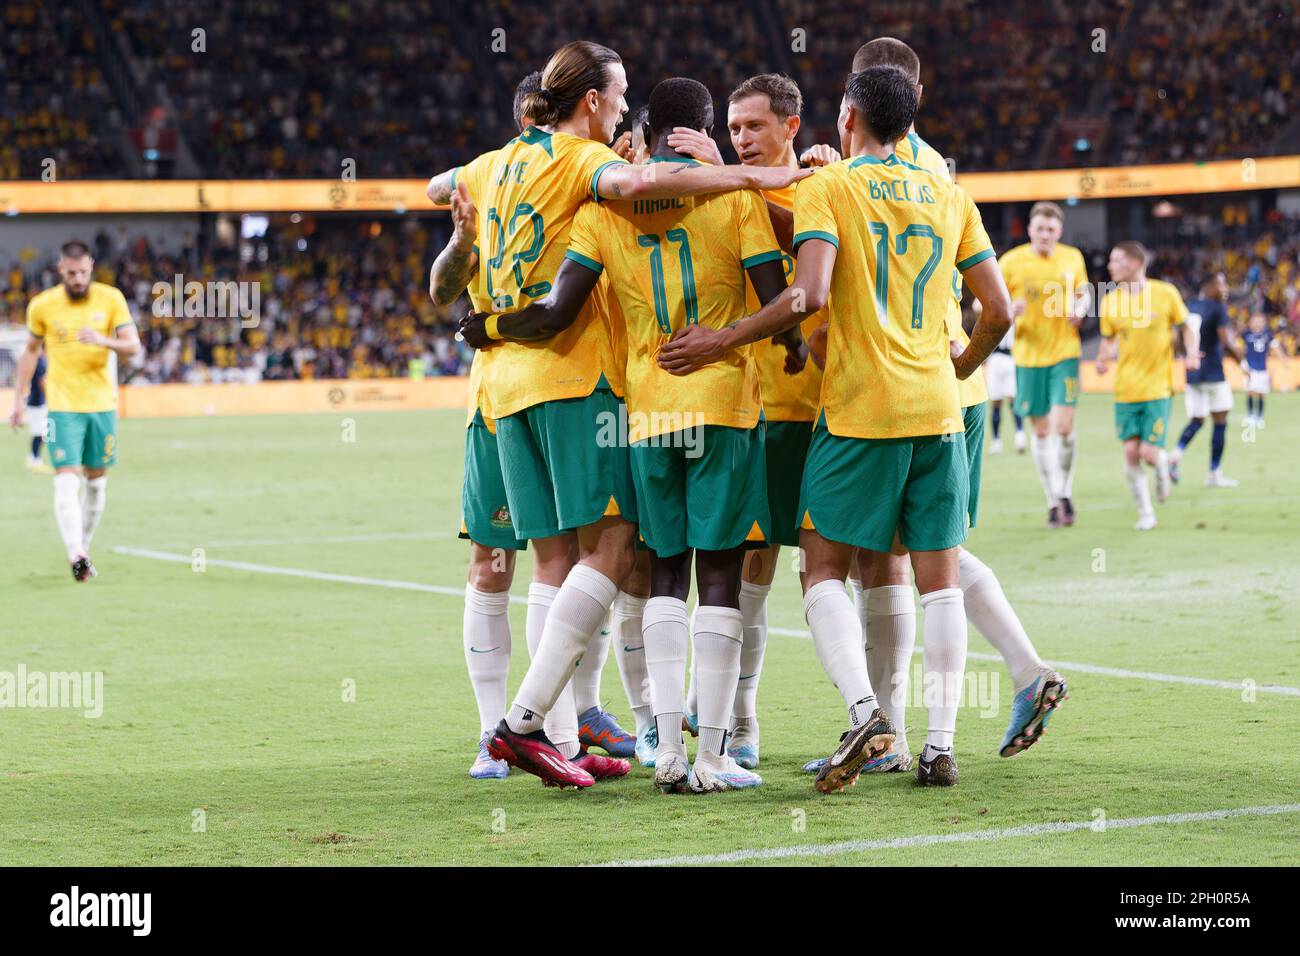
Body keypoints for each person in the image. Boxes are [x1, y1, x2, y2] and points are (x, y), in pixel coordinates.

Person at [457, 40, 808, 789]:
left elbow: (553, 311)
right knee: (719, 580)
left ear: (643, 134)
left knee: (657, 579)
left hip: (645, 415)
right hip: (722, 407)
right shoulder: (734, 199)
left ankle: (662, 745)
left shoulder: (600, 214)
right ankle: (713, 753)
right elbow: (783, 298)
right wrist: (794, 345)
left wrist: (486, 324)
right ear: (704, 131)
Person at [658, 65, 1013, 789]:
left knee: (820, 567)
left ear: (846, 116)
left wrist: (723, 339)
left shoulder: (832, 186)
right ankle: (937, 745)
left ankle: (864, 712)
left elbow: (807, 293)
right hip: (938, 411)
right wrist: (958, 364)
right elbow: (1000, 313)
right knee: (935, 577)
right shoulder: (951, 192)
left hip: (857, 411)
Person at [429, 70, 640, 781]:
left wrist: (467, 185)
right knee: (562, 557)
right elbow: (441, 288)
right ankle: (512, 729)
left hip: (500, 382)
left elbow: (436, 186)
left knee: (541, 560)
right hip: (548, 380)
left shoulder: (490, 170)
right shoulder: (575, 165)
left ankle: (558, 731)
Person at [665, 72, 816, 771]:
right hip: (768, 403)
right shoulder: (722, 189)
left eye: (754, 127)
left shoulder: (819, 178)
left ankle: (891, 728)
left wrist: (726, 175)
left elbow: (803, 251)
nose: (741, 139)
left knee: (839, 569)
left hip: (834, 398)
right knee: (754, 567)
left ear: (791, 126)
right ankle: (742, 719)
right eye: (733, 130)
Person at [9, 241, 141, 581]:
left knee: (96, 485)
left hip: (102, 406)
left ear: (91, 267)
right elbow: (30, 352)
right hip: (62, 407)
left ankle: (83, 546)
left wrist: (104, 341)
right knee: (66, 480)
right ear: (60, 269)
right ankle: (76, 554)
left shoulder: (111, 298)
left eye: (83, 272)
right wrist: (18, 399)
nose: (78, 279)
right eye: (72, 273)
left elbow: (133, 346)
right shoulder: (43, 305)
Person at [1095, 242, 1199, 531]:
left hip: (1157, 387)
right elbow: (1108, 339)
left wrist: (1191, 353)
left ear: (1135, 263)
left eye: (1116, 261)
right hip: (1126, 389)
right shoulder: (1110, 301)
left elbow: (1187, 327)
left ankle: (1162, 466)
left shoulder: (1165, 293)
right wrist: (1102, 360)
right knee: (1130, 453)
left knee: (1149, 454)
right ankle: (1146, 512)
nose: (1110, 266)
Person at [999, 202, 1091, 527]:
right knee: (1041, 431)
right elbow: (989, 304)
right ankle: (1053, 500)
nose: (1045, 235)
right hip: (1028, 356)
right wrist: (1009, 308)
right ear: (1029, 230)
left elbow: (1085, 294)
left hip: (1065, 352)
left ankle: (1064, 492)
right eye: (1040, 228)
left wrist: (1080, 309)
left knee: (1064, 428)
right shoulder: (1010, 263)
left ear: (1059, 232)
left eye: (1051, 230)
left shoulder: (1072, 258)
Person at [1170, 272, 1241, 488]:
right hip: (1212, 372)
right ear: (1209, 286)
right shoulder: (1217, 308)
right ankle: (1214, 473)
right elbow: (1226, 341)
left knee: (1197, 419)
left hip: (1192, 371)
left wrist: (1187, 355)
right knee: (1220, 421)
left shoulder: (1189, 305)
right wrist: (1242, 362)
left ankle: (1174, 456)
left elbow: (1177, 338)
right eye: (1222, 284)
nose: (1226, 289)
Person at [1242, 313, 1284, 427]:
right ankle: (1251, 415)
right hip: (1249, 368)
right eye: (1255, 320)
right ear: (1250, 322)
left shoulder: (1267, 334)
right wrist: (1242, 364)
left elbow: (1275, 347)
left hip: (1262, 368)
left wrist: (1283, 359)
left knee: (1261, 393)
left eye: (1260, 321)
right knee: (1250, 392)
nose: (1257, 323)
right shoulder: (1246, 334)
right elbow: (1240, 349)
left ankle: (1260, 417)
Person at [22, 353, 53, 474]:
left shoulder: (38, 361)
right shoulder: (41, 362)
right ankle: (35, 459)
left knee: (44, 433)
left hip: (37, 402)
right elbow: (42, 382)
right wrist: (49, 397)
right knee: (40, 433)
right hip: (37, 403)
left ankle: (32, 457)